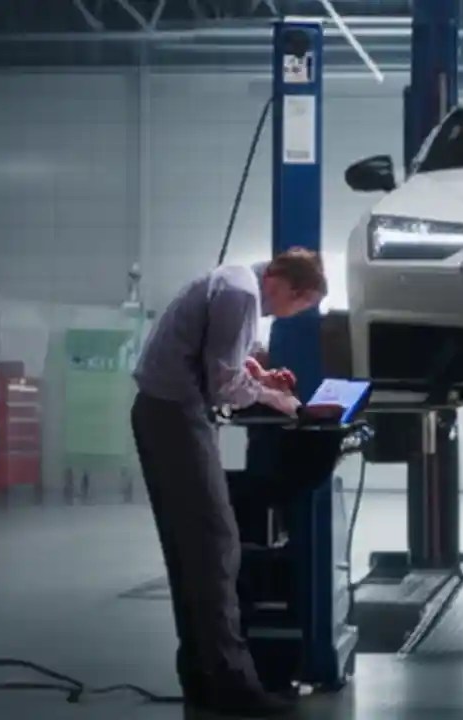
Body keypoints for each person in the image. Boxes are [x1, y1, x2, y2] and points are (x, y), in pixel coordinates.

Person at [130, 248, 327, 717]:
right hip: (175, 416)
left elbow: (226, 363)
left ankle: (201, 678)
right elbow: (224, 388)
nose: (293, 312)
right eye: (299, 302)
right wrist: (286, 404)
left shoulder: (237, 283)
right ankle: (233, 685)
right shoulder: (241, 294)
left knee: (189, 549)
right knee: (216, 546)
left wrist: (257, 375)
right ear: (282, 282)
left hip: (162, 412)